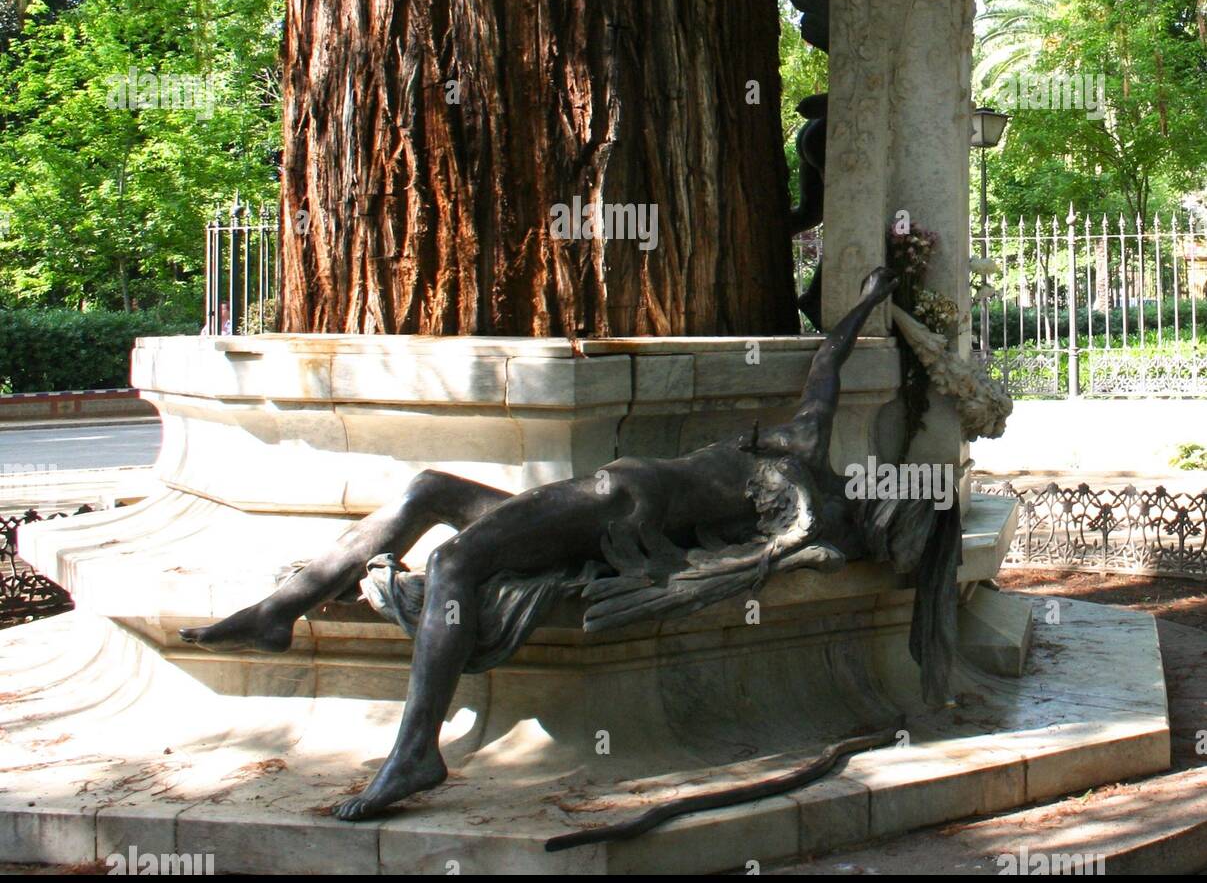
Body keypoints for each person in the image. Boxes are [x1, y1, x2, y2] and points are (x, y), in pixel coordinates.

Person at [181, 266, 957, 822]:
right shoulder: (802, 458)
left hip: (614, 501)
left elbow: (826, 369)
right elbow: (827, 362)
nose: (877, 490)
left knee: (455, 559)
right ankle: (284, 606)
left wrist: (865, 302)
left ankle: (415, 750)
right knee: (426, 489)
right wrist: (865, 300)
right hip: (603, 503)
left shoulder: (802, 473)